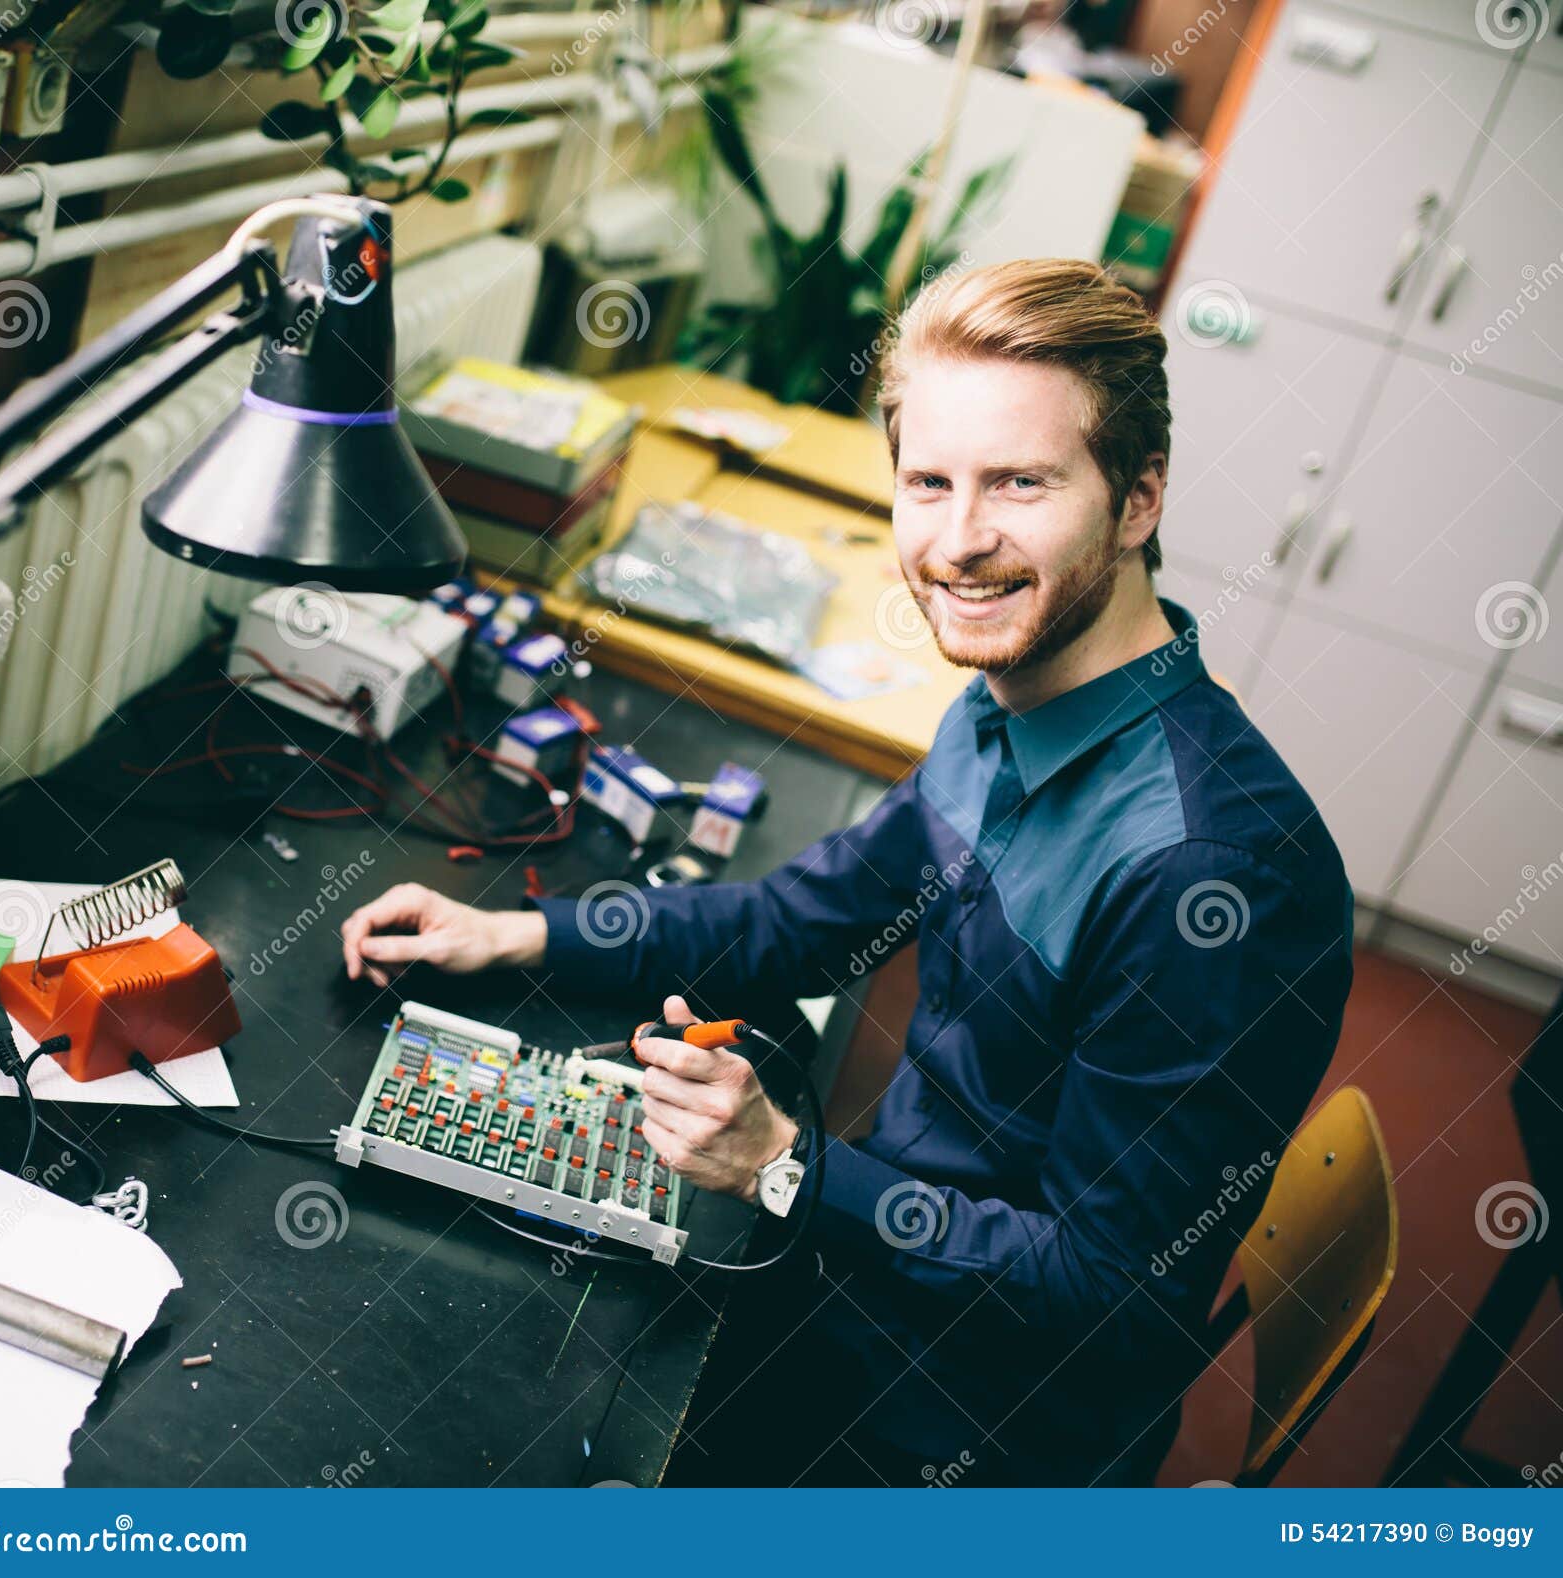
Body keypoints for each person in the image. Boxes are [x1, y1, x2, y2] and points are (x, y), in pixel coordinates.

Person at [340, 259, 1353, 1486]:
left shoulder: (1217, 879)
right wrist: (515, 936)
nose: (959, 541)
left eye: (1020, 484)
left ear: (1137, 501)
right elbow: (798, 921)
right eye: (929, 482)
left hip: (965, 1434)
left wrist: (781, 1161)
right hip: (866, 1286)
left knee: (490, 1455)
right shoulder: (1002, 709)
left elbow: (1111, 1299)